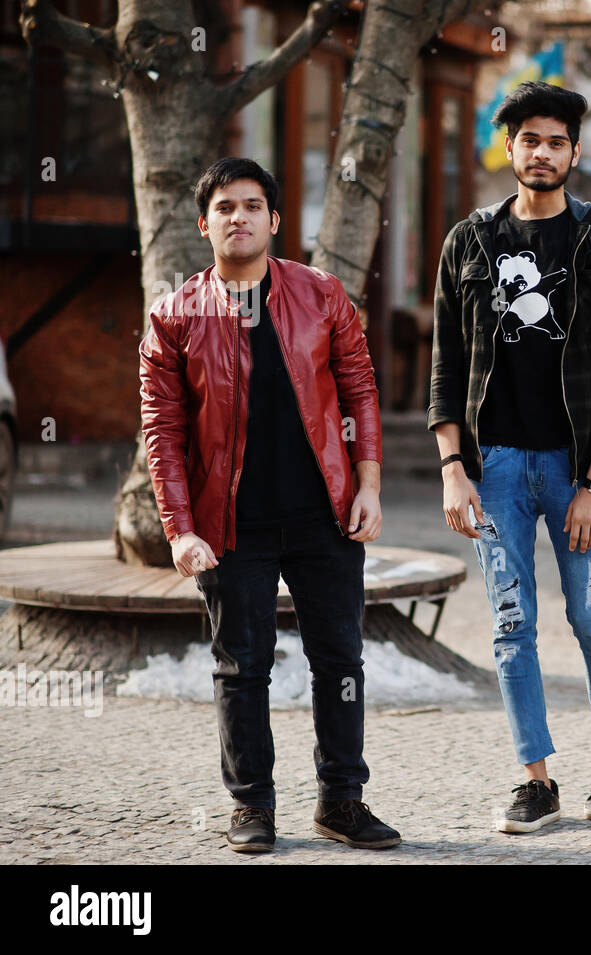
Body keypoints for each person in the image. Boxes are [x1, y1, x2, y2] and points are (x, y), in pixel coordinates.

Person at [139, 157, 400, 854]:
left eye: (253, 205)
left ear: (275, 220)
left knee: (340, 662)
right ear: (204, 223)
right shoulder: (174, 316)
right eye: (225, 207)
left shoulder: (321, 294)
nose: (240, 216)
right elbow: (161, 429)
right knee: (241, 666)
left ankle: (342, 800)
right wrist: (179, 529)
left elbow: (360, 392)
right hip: (232, 526)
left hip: (326, 516)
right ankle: (251, 805)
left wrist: (369, 486)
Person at [429, 81, 591, 833]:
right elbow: (445, 371)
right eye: (530, 139)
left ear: (575, 152)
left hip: (574, 466)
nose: (543, 152)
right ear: (510, 149)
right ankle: (535, 779)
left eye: (556, 141)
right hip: (496, 470)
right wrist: (454, 468)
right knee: (511, 621)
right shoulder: (469, 241)